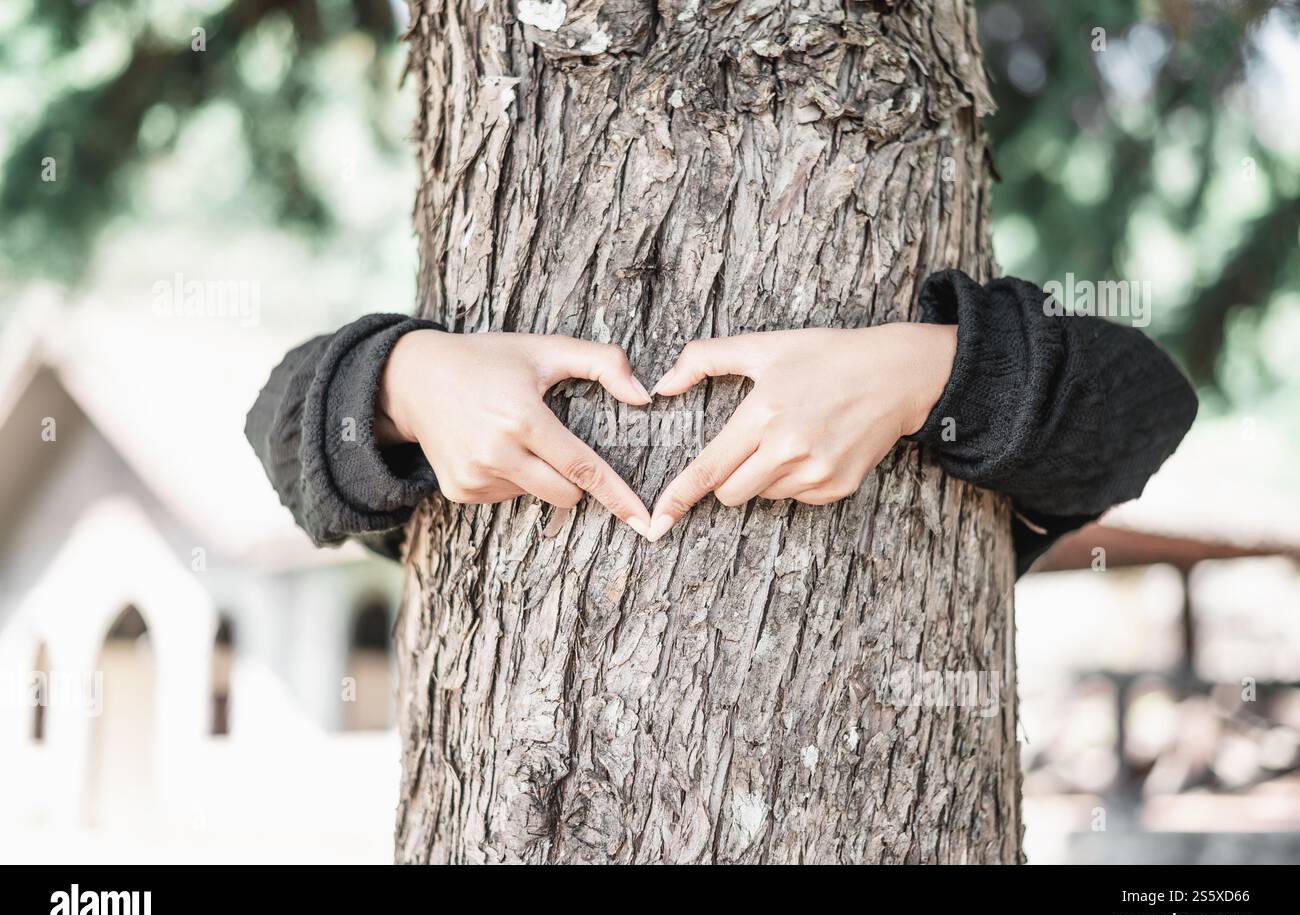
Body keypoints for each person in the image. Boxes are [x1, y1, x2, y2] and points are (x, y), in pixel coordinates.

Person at [245, 269, 1198, 576]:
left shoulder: (988, 413)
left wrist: (930, 373)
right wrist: (405, 382)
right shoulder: (442, 446)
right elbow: (278, 425)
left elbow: (1150, 407)